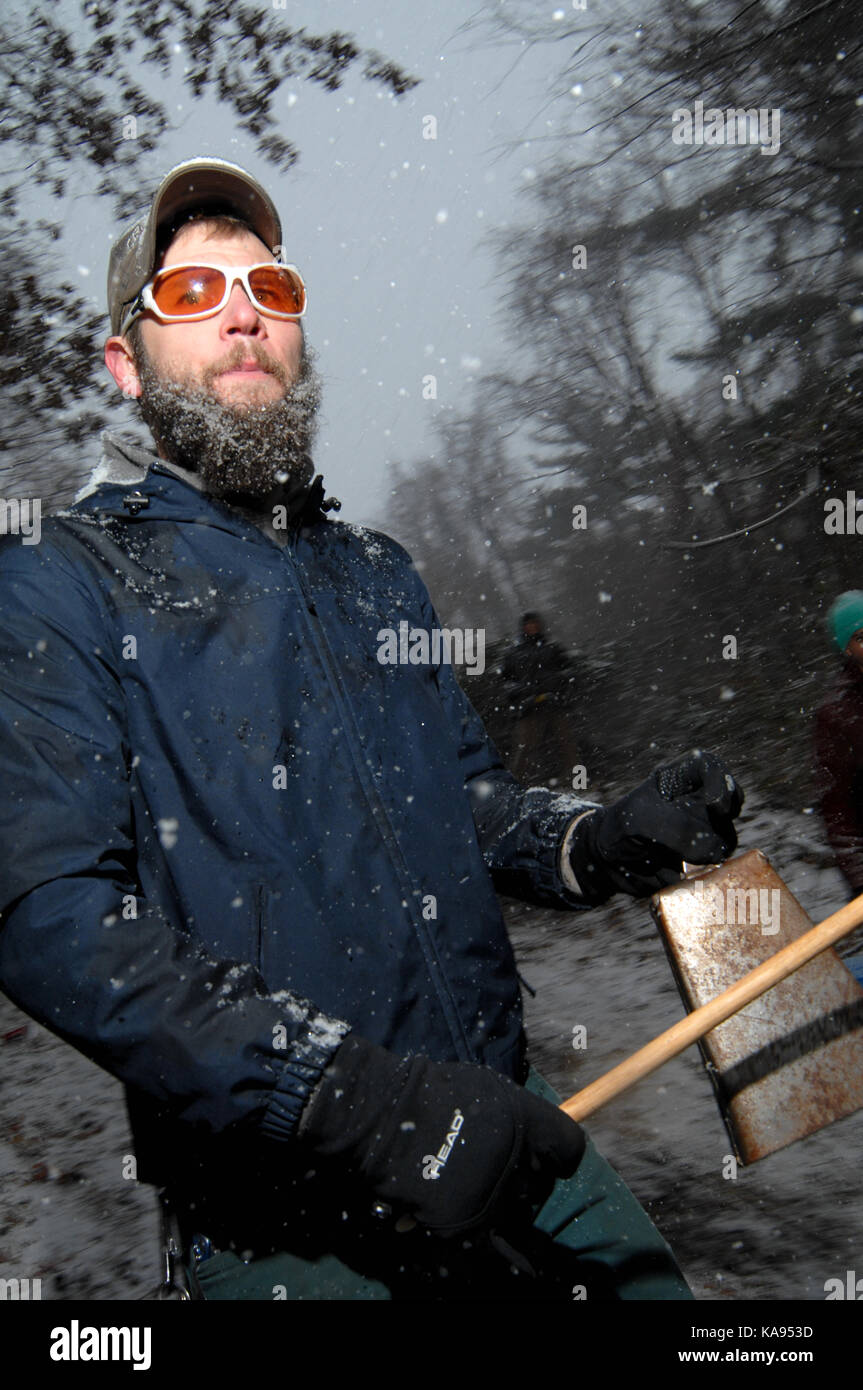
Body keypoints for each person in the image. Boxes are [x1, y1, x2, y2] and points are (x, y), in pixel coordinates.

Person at [0, 158, 744, 1302]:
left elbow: (465, 797)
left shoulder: (378, 576)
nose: (245, 313)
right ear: (125, 363)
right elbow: (52, 915)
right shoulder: (64, 583)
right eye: (193, 295)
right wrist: (343, 1095)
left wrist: (597, 838)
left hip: (503, 1124)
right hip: (286, 1213)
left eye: (271, 289)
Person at [501, 612, 580, 783]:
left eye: (535, 623)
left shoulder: (552, 648)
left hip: (553, 704)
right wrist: (525, 693)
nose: (532, 627)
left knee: (568, 745)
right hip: (529, 707)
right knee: (524, 749)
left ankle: (579, 783)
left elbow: (570, 672)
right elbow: (507, 683)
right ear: (523, 627)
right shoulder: (514, 653)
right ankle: (515, 787)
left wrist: (558, 687)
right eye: (529, 624)